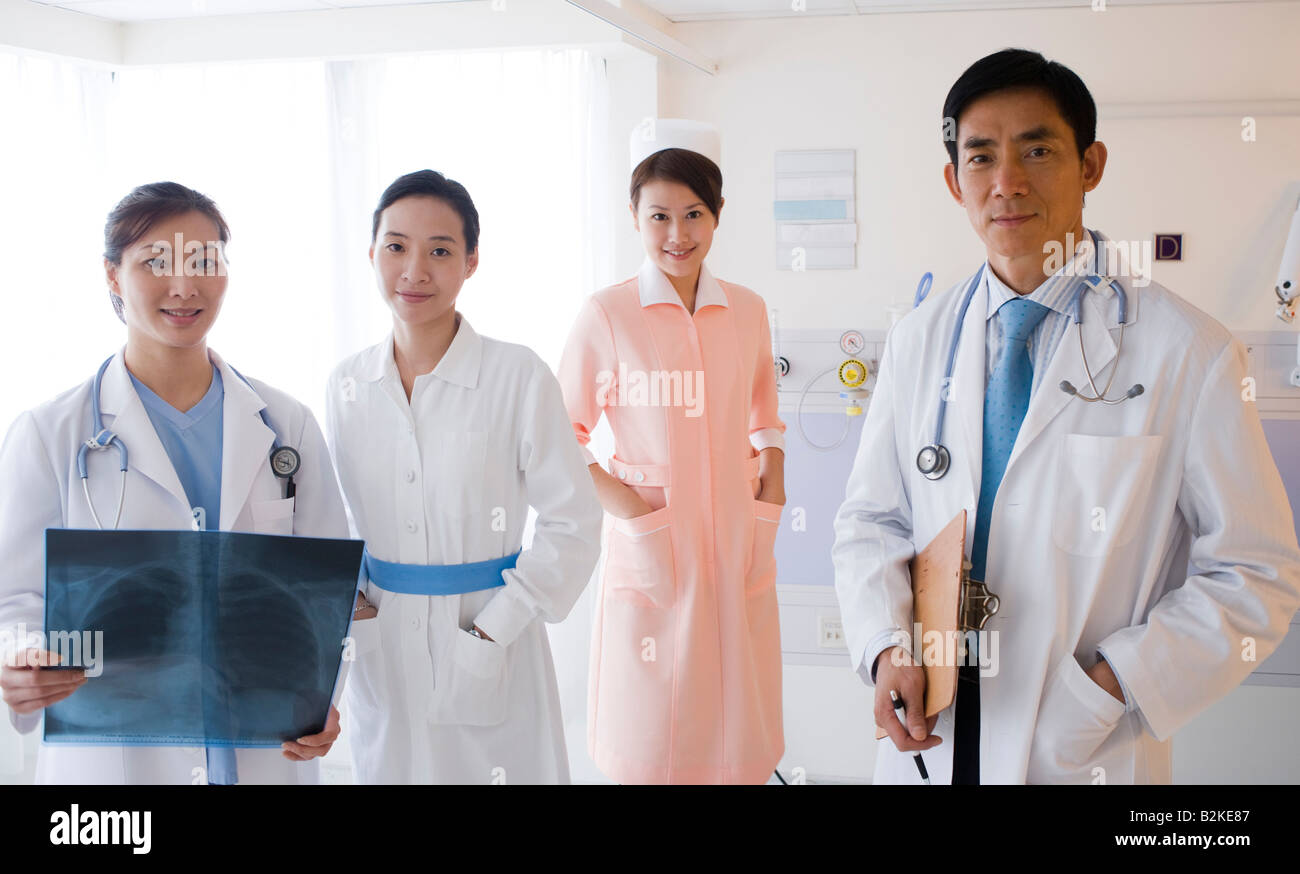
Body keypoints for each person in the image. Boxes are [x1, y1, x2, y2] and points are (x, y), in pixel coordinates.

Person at [832, 49, 1300, 784]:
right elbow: (870, 522)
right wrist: (888, 645)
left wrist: (1111, 686)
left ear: (1091, 165)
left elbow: (1257, 571)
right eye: (981, 157)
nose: (1007, 183)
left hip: (1084, 749)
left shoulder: (1188, 352)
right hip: (934, 737)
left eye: (1038, 149)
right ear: (955, 182)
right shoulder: (920, 340)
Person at [0, 181, 351, 784]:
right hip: (116, 763)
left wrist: (318, 701)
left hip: (261, 750)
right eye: (155, 262)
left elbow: (327, 596)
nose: (184, 285)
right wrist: (21, 658)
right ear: (113, 275)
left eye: (204, 261)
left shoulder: (284, 424)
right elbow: (14, 598)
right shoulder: (49, 432)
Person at [326, 170, 602, 784]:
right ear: (372, 254)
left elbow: (574, 520)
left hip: (489, 635)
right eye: (396, 246)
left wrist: (496, 623)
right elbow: (337, 516)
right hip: (383, 644)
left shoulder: (517, 376)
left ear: (471, 263)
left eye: (440, 251)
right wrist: (354, 600)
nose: (414, 270)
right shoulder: (347, 386)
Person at [557, 120, 787, 784]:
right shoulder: (608, 314)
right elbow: (560, 436)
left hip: (737, 537)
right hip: (653, 542)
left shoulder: (746, 309)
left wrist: (771, 490)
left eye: (693, 214)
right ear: (634, 216)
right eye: (659, 216)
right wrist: (633, 512)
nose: (677, 234)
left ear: (717, 217)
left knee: (738, 717)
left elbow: (764, 413)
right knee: (653, 728)